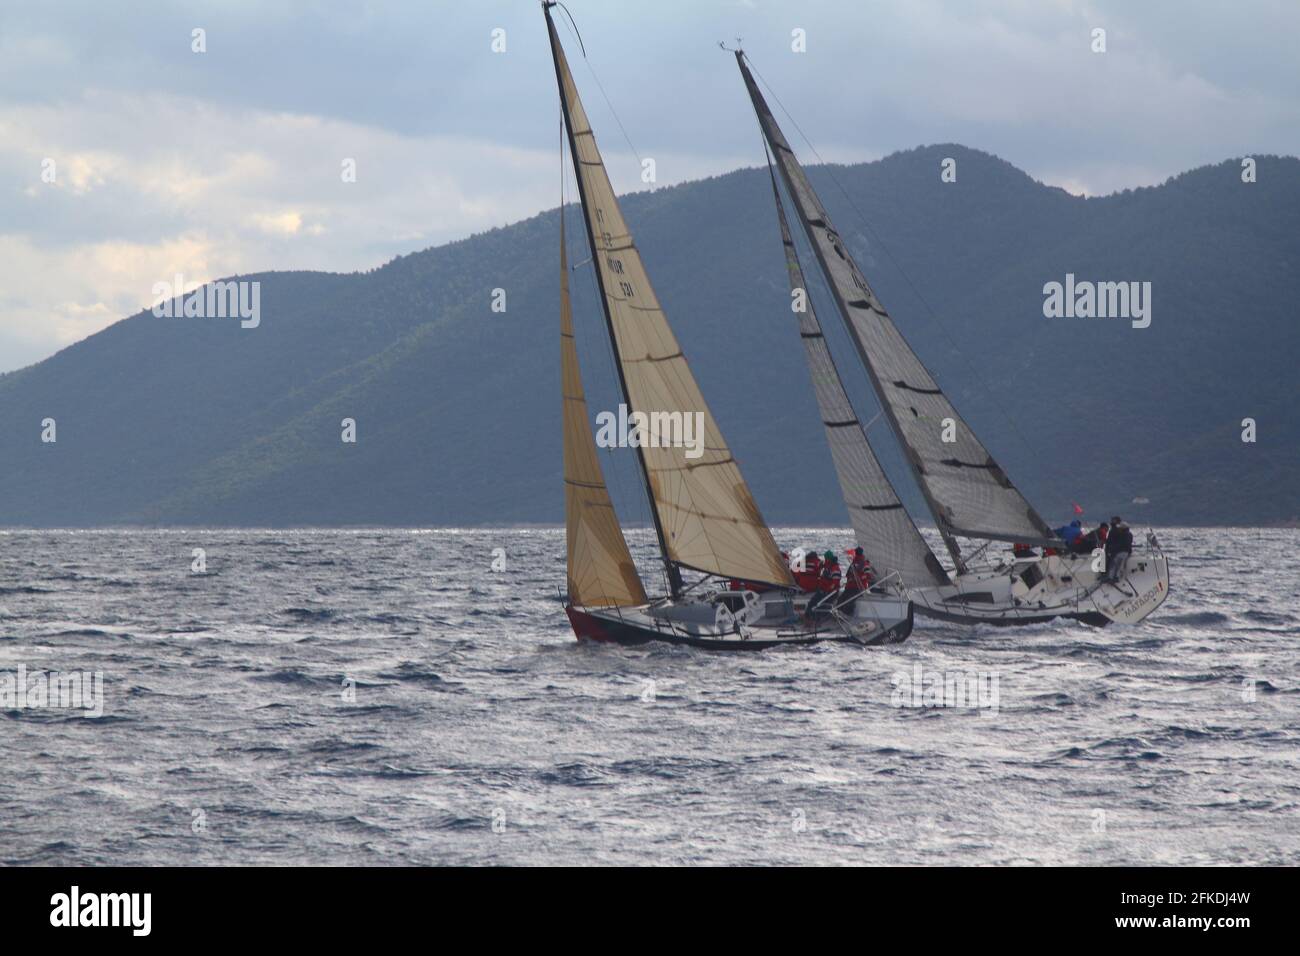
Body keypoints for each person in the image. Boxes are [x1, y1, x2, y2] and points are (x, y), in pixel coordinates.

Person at [809, 549, 841, 615]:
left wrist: (828, 591)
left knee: (821, 604)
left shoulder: (835, 568)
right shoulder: (827, 566)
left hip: (830, 592)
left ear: (829, 559)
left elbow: (835, 583)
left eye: (826, 558)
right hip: (823, 590)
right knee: (812, 601)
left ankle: (816, 618)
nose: (825, 560)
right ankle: (808, 616)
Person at [842, 546, 874, 611]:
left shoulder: (864, 564)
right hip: (850, 586)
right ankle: (839, 614)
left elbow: (868, 576)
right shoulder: (854, 562)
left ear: (856, 553)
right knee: (841, 599)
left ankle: (847, 614)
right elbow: (848, 574)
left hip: (858, 587)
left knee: (848, 601)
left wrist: (859, 578)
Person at [1104, 516, 1133, 583]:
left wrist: (1111, 550)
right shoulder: (1129, 534)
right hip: (1126, 552)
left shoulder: (1119, 533)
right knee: (1119, 565)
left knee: (1114, 564)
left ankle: (1111, 577)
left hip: (1119, 552)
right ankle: (1115, 577)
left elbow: (1115, 543)